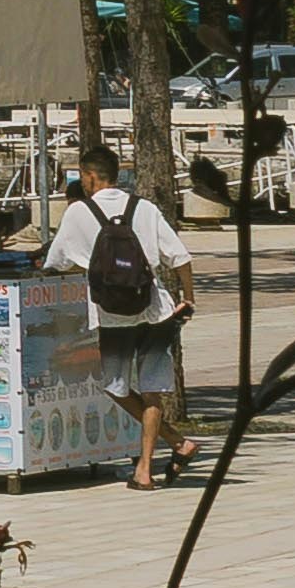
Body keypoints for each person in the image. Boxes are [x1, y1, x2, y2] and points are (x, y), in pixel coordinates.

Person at [42, 146, 196, 485]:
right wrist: (189, 298)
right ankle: (152, 462)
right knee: (152, 391)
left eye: (82, 175)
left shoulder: (78, 212)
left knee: (115, 386)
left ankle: (171, 447)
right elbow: (180, 257)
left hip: (111, 315)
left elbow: (55, 263)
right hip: (155, 309)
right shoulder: (145, 208)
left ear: (90, 176)